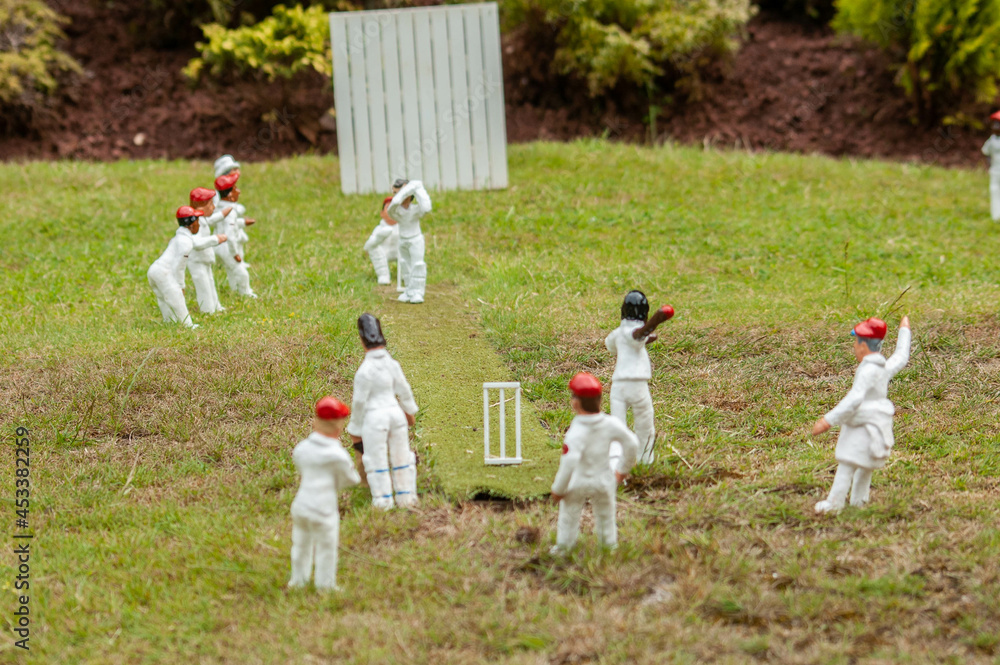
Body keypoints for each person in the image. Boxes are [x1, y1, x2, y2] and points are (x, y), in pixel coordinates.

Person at [811, 316, 911, 513]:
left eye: (856, 343)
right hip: (878, 425)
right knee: (865, 466)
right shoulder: (882, 367)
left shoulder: (868, 371)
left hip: (862, 424)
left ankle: (835, 504)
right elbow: (900, 357)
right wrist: (905, 331)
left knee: (847, 465)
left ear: (863, 346)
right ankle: (859, 500)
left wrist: (828, 420)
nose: (855, 348)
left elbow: (855, 398)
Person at [551, 372, 639, 554]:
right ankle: (609, 545)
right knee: (606, 515)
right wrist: (623, 469)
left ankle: (565, 547)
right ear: (599, 400)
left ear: (577, 402)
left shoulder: (575, 432)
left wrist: (559, 489)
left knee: (569, 515)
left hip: (579, 481)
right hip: (604, 479)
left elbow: (569, 462)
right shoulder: (611, 423)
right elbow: (631, 443)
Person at [346, 314, 419, 509]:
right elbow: (404, 390)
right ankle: (406, 495)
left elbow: (359, 403)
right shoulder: (392, 364)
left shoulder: (364, 371)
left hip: (374, 418)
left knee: (376, 458)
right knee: (401, 455)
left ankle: (383, 499)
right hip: (395, 414)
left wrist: (354, 427)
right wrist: (409, 411)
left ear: (362, 339)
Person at [288, 396, 361, 592]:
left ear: (315, 422)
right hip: (323, 508)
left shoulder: (302, 448)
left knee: (301, 545)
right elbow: (351, 479)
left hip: (301, 504)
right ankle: (325, 584)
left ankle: (298, 580)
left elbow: (298, 463)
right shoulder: (337, 455)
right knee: (326, 547)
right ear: (338, 427)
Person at [605, 291, 673, 466]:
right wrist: (658, 318)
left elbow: (611, 345)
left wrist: (644, 339)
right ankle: (644, 460)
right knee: (644, 423)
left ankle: (616, 463)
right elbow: (637, 335)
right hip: (636, 385)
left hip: (618, 385)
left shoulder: (617, 333)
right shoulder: (633, 331)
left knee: (617, 425)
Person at [146, 206, 226, 329]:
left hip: (154, 270)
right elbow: (179, 266)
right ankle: (188, 325)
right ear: (191, 224)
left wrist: (216, 239)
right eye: (197, 221)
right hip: (164, 272)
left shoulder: (182, 237)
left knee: (163, 298)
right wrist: (180, 285)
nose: (199, 225)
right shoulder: (185, 243)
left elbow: (198, 244)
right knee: (177, 299)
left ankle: (170, 321)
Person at [209, 172, 256, 298]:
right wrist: (235, 254)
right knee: (241, 272)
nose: (238, 191)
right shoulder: (230, 211)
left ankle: (234, 287)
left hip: (220, 243)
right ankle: (246, 293)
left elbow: (229, 225)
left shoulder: (222, 207)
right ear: (229, 194)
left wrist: (244, 222)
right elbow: (230, 234)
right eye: (235, 189)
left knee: (231, 269)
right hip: (227, 246)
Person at [385, 179, 431, 304]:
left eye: (398, 192)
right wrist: (404, 191)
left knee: (417, 265)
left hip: (415, 240)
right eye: (394, 193)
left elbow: (427, 207)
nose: (396, 195)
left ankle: (418, 292)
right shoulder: (396, 211)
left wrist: (417, 188)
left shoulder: (416, 210)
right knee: (405, 264)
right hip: (403, 240)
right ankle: (409, 290)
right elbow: (391, 207)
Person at [187, 187, 232, 314]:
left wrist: (223, 214)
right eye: (210, 204)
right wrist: (215, 239)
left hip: (205, 258)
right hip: (197, 261)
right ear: (199, 206)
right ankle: (207, 309)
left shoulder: (202, 219)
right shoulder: (195, 224)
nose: (213, 207)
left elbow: (211, 219)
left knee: (210, 282)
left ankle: (216, 305)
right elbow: (196, 243)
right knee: (204, 285)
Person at [363, 194, 401, 286]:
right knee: (375, 249)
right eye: (388, 208)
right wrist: (379, 237)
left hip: (399, 251)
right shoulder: (379, 229)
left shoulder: (402, 227)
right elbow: (369, 245)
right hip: (384, 252)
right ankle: (383, 274)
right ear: (382, 213)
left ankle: (405, 273)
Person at [983, 112, 1000, 221]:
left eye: (998, 124)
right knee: (994, 190)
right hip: (995, 170)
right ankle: (996, 215)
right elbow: (986, 153)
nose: (995, 127)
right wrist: (989, 165)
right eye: (994, 124)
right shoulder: (991, 140)